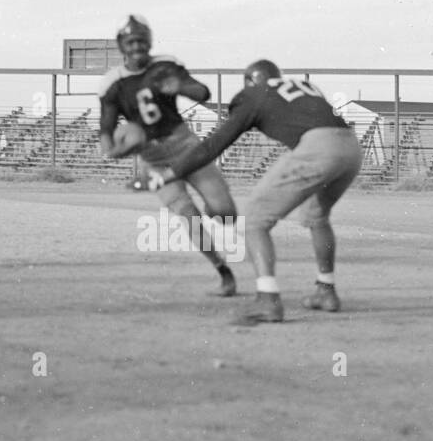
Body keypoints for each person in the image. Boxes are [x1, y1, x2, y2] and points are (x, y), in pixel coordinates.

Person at [149, 60, 362, 324]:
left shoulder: (252, 94)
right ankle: (326, 291)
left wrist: (170, 174)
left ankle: (268, 299)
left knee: (254, 220)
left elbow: (213, 146)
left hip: (318, 148)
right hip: (351, 147)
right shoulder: (305, 85)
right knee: (316, 216)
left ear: (250, 81)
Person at [98, 15, 238, 296]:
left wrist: (181, 87)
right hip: (153, 158)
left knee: (226, 215)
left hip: (185, 146)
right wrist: (111, 150)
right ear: (122, 46)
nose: (137, 46)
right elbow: (106, 126)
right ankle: (223, 271)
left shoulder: (165, 64)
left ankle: (215, 210)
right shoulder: (113, 82)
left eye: (141, 40)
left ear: (148, 42)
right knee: (188, 216)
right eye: (131, 41)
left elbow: (203, 92)